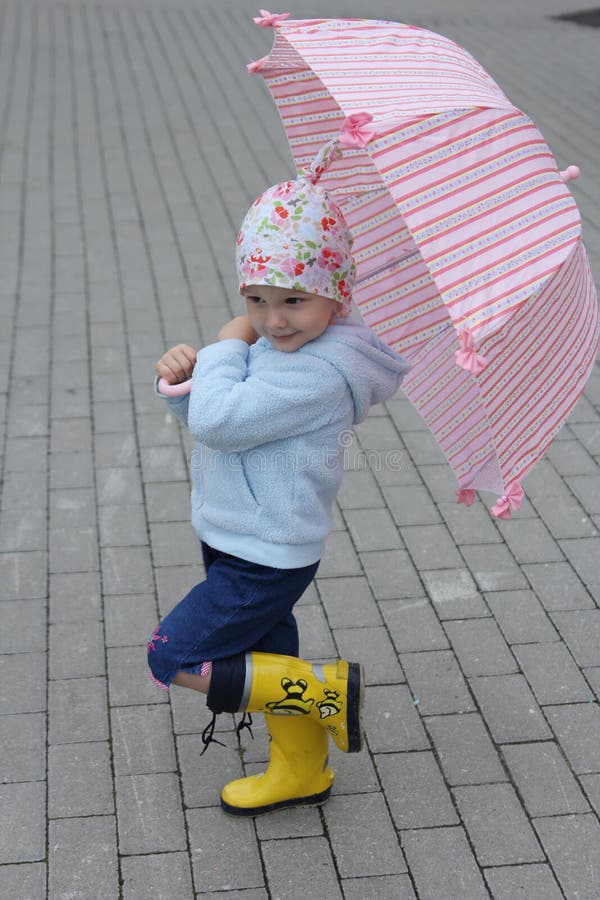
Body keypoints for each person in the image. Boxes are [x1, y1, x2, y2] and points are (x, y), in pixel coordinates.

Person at [148, 169, 409, 816]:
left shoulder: (319, 372)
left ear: (336, 296)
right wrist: (185, 383)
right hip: (242, 534)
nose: (271, 320)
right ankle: (302, 768)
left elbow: (223, 418)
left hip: (264, 552)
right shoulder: (285, 349)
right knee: (268, 653)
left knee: (171, 655)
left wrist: (223, 344)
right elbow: (217, 425)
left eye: (293, 301)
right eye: (257, 300)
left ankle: (324, 692)